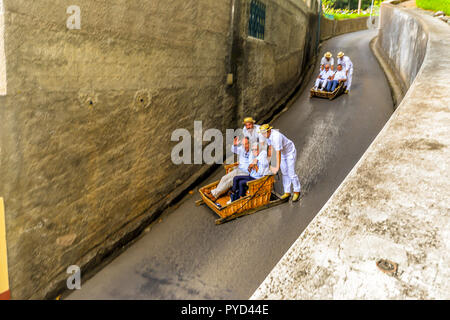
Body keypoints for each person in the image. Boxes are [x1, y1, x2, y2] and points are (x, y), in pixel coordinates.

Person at [258, 124, 301, 202]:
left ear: (269, 130)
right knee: (284, 172)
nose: (263, 135)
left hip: (290, 152)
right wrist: (269, 164)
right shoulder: (267, 136)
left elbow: (278, 153)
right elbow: (271, 149)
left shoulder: (276, 137)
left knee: (291, 173)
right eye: (262, 133)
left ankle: (296, 191)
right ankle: (287, 192)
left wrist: (276, 167)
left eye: (264, 133)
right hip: (283, 153)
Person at [207, 136, 252, 201]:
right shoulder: (242, 149)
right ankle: (214, 192)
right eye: (243, 144)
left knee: (230, 181)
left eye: (246, 144)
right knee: (224, 178)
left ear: (249, 143)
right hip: (239, 169)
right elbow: (233, 149)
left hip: (246, 172)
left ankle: (214, 194)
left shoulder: (253, 151)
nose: (244, 146)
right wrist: (234, 145)